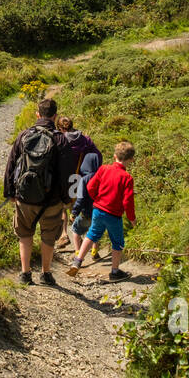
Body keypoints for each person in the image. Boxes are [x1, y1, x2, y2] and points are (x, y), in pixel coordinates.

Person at [3, 98, 79, 286]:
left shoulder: (23, 135)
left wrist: (10, 192)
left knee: (25, 234)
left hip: (24, 196)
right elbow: (67, 173)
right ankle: (45, 273)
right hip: (51, 200)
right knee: (48, 236)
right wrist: (66, 198)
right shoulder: (61, 140)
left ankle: (25, 273)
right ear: (55, 116)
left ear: (37, 114)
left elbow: (11, 165)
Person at [65, 141, 135, 281]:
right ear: (130, 160)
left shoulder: (103, 169)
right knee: (118, 242)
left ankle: (77, 261)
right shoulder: (127, 178)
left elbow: (90, 186)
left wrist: (97, 199)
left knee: (92, 234)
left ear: (114, 156)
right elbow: (128, 201)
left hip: (97, 210)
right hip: (113, 215)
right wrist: (132, 218)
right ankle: (115, 271)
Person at [56, 116, 100, 250]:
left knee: (64, 207)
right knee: (83, 207)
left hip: (69, 179)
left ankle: (65, 235)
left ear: (61, 128)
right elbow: (97, 154)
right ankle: (88, 239)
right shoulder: (85, 139)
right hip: (85, 178)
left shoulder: (61, 140)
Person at [67, 150, 101, 258]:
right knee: (94, 232)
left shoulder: (85, 179)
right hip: (99, 212)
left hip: (86, 212)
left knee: (75, 231)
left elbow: (80, 199)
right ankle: (94, 251)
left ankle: (78, 253)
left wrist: (74, 213)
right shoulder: (102, 177)